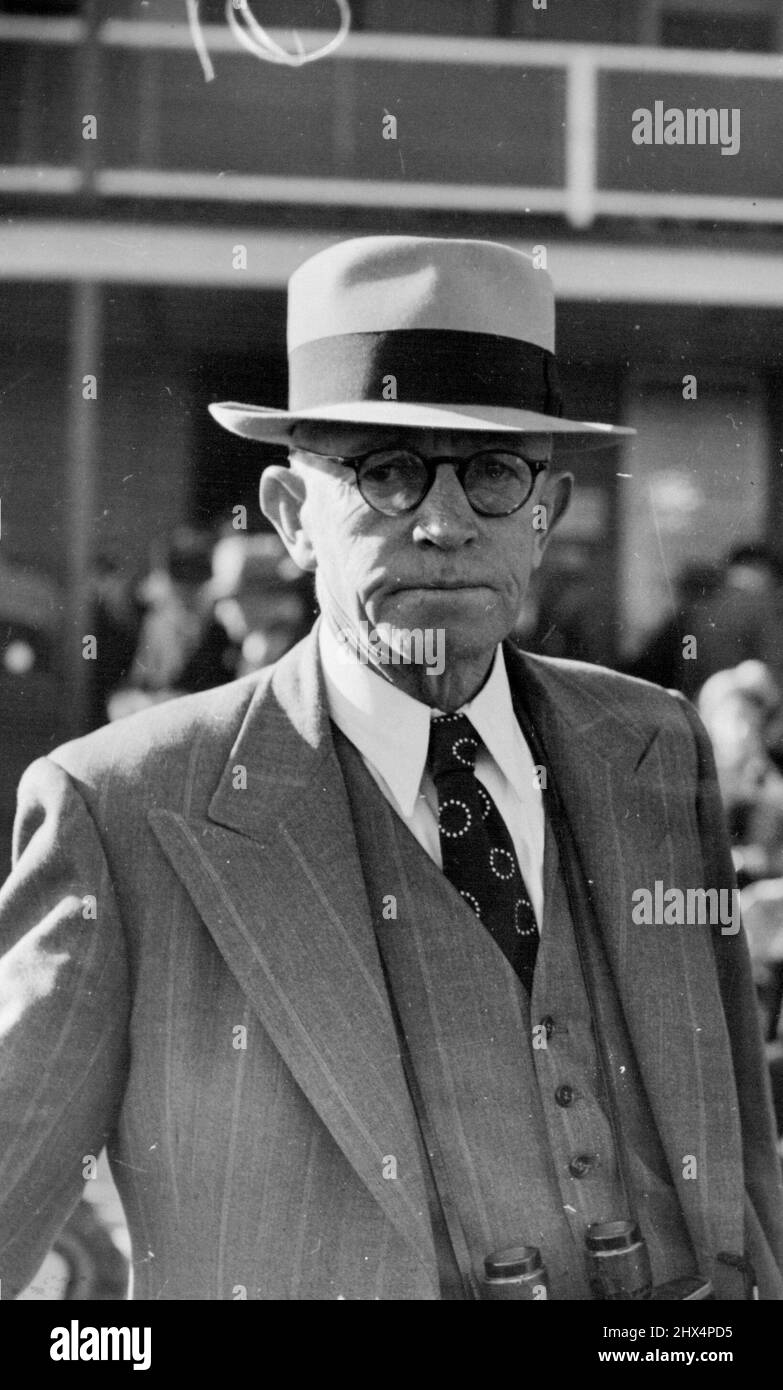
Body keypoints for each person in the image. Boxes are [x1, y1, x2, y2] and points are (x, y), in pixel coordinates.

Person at [1, 236, 781, 1301]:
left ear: (543, 516)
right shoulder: (123, 811)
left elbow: (742, 1157)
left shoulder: (652, 743)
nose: (447, 522)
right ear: (291, 515)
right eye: (387, 469)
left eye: (496, 473)